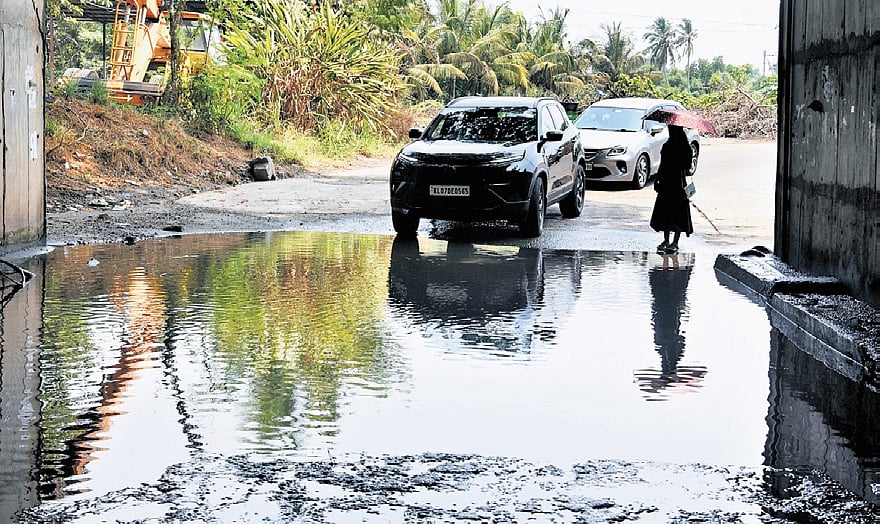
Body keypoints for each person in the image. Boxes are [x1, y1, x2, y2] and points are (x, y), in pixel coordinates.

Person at [650, 125, 694, 254]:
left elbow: (662, 166)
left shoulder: (668, 145)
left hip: (667, 183)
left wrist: (657, 180)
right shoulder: (685, 147)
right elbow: (688, 167)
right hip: (679, 183)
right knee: (678, 213)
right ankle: (675, 242)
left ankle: (666, 241)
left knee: (666, 212)